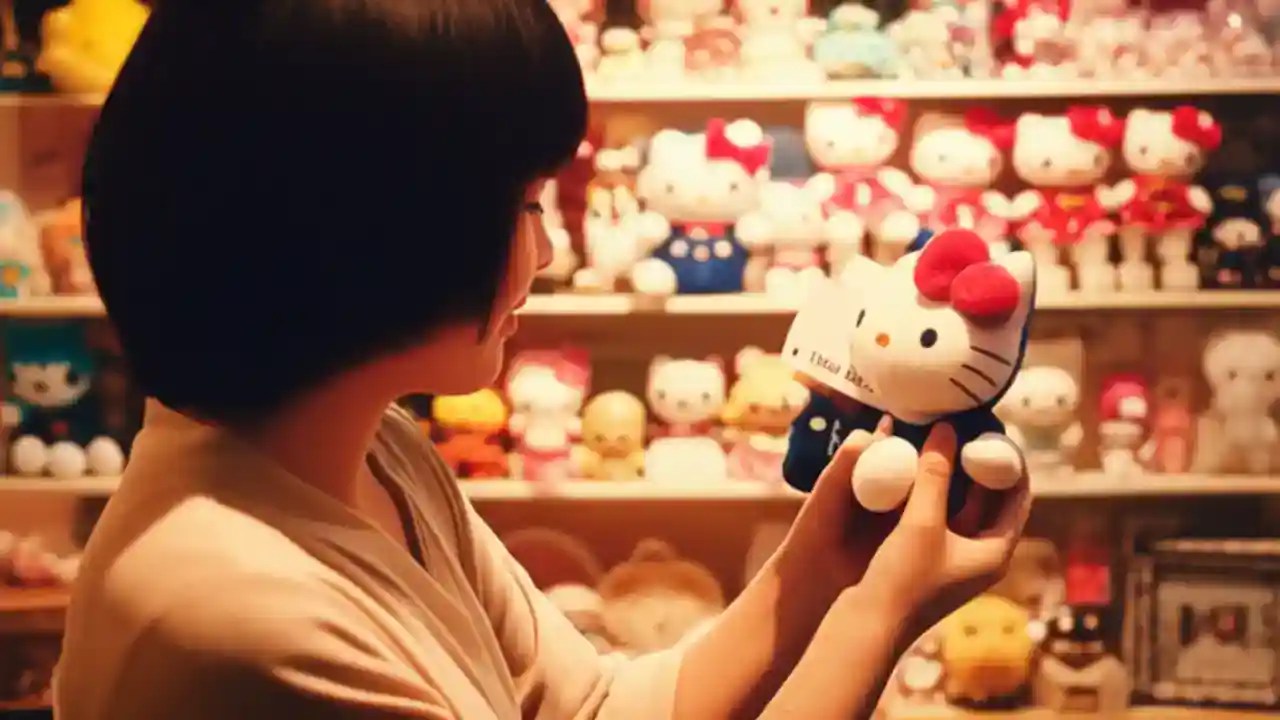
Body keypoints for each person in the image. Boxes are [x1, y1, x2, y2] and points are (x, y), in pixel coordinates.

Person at [54, 1, 1032, 719]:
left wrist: (828, 566)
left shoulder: (375, 455)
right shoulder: (236, 617)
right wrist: (881, 612)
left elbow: (596, 707)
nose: (550, 250)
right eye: (524, 205)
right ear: (377, 226)